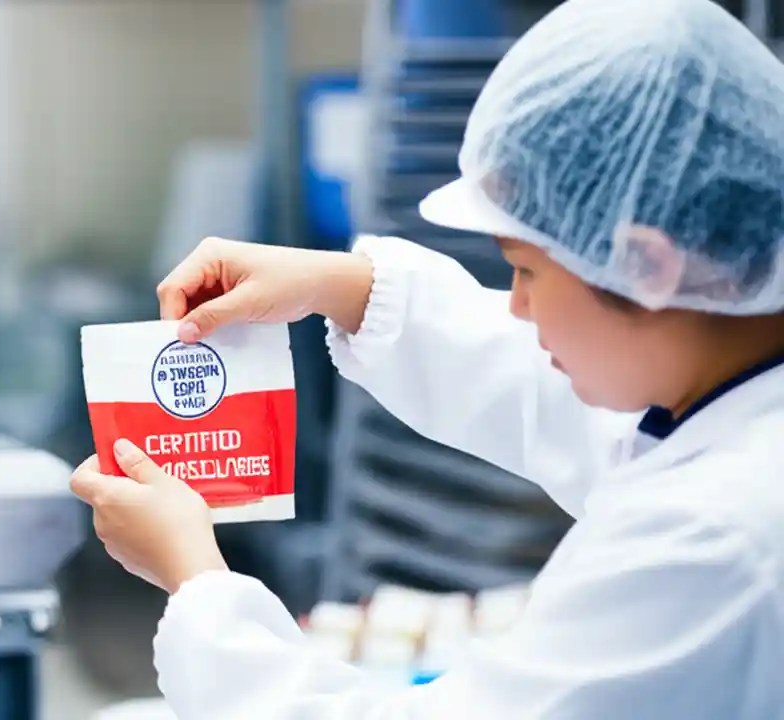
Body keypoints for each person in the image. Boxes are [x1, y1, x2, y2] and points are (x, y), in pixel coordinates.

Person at [68, 0, 784, 717]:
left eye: (525, 270)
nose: (517, 308)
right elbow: (569, 403)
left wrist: (196, 582)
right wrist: (343, 287)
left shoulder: (711, 543)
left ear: (646, 265)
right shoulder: (733, 400)